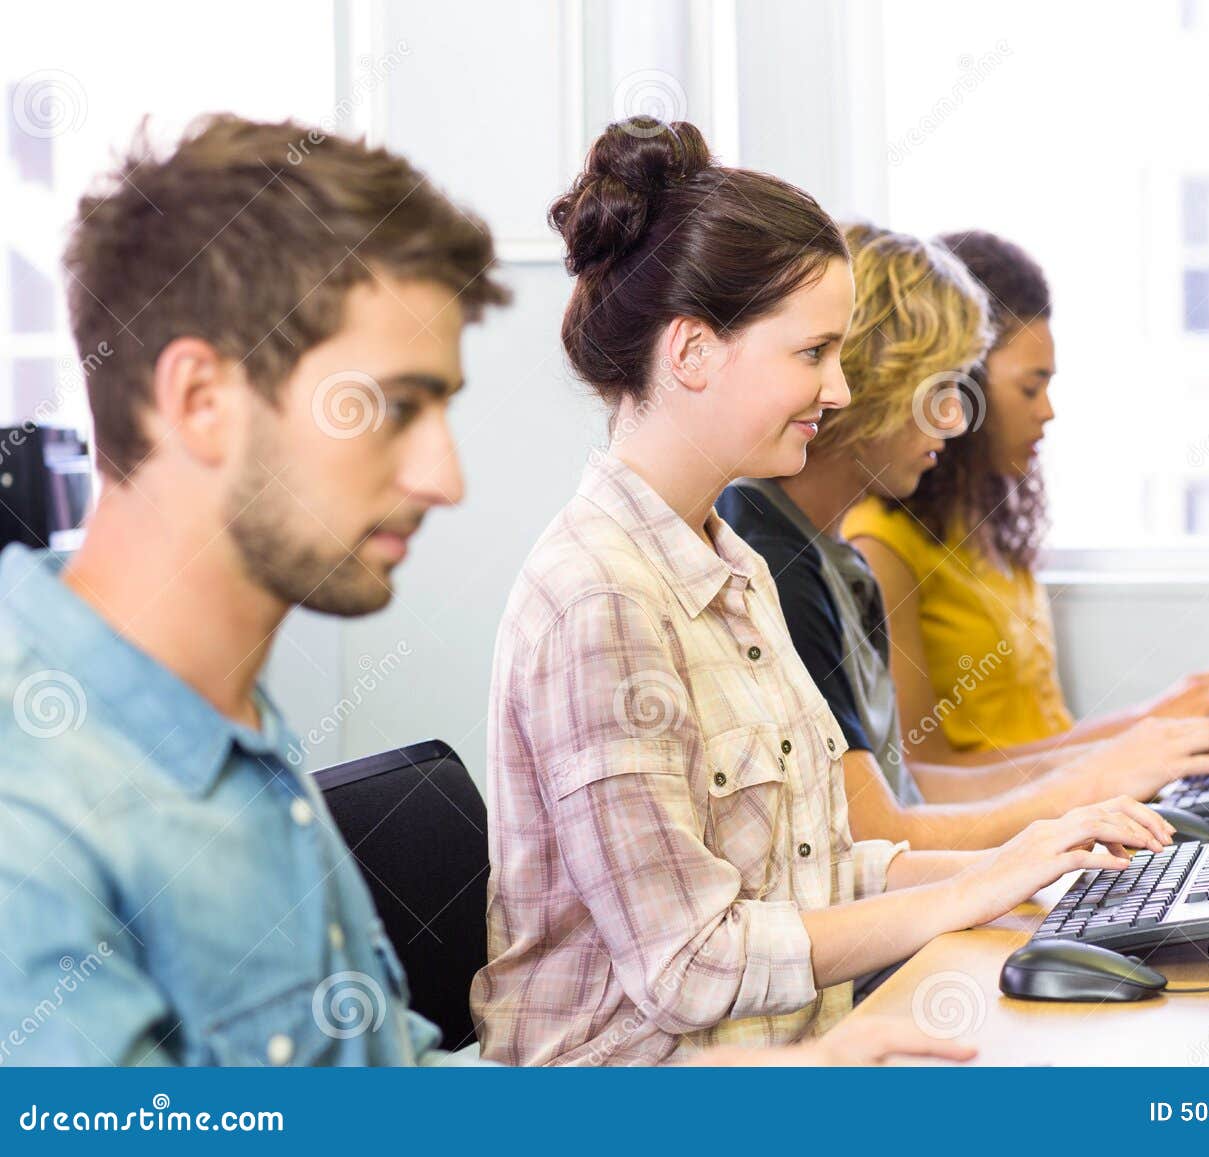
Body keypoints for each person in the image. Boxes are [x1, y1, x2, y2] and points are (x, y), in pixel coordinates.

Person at [0, 115, 958, 1070]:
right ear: (200, 402)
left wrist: (796, 1070)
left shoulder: (226, 739)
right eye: (390, 406)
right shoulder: (35, 808)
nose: (445, 478)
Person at [471, 119, 1175, 1066]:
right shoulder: (598, 600)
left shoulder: (732, 566)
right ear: (692, 352)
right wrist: (969, 890)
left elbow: (821, 868)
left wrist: (1022, 864)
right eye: (813, 354)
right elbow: (689, 961)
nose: (839, 390)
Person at [718, 225, 1209, 849]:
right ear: (871, 381)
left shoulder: (833, 558)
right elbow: (878, 834)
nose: (955, 421)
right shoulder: (780, 564)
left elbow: (907, 792)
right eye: (940, 388)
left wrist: (1116, 766)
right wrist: (1092, 783)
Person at [842, 229, 1209, 763]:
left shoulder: (985, 522)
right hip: (1029, 808)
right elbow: (924, 777)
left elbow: (1043, 737)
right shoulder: (879, 545)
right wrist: (1153, 724)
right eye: (1030, 387)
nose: (1047, 411)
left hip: (1066, 798)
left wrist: (1164, 724)